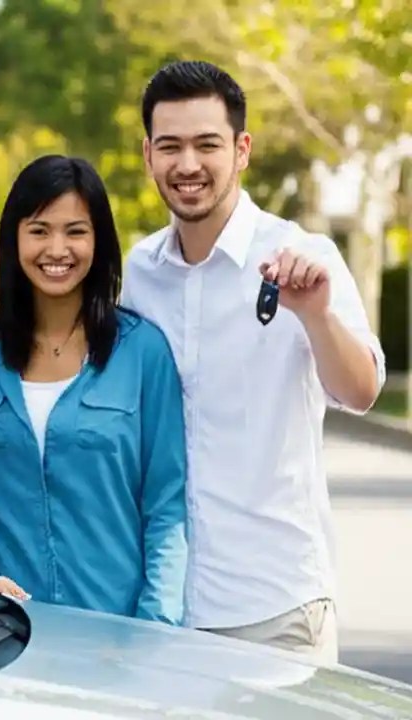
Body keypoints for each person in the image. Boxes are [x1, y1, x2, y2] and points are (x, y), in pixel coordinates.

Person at [121, 61, 385, 662]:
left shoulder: (302, 255)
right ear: (148, 155)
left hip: (275, 607)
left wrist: (316, 315)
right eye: (170, 146)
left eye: (207, 144)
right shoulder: (139, 273)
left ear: (242, 150)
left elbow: (362, 390)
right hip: (161, 607)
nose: (188, 164)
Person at [0, 154, 188, 626]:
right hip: (8, 634)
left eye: (75, 231)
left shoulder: (143, 352)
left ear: (99, 241)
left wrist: (155, 627)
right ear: (13, 237)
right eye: (39, 230)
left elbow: (166, 507)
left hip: (122, 635)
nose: (57, 248)